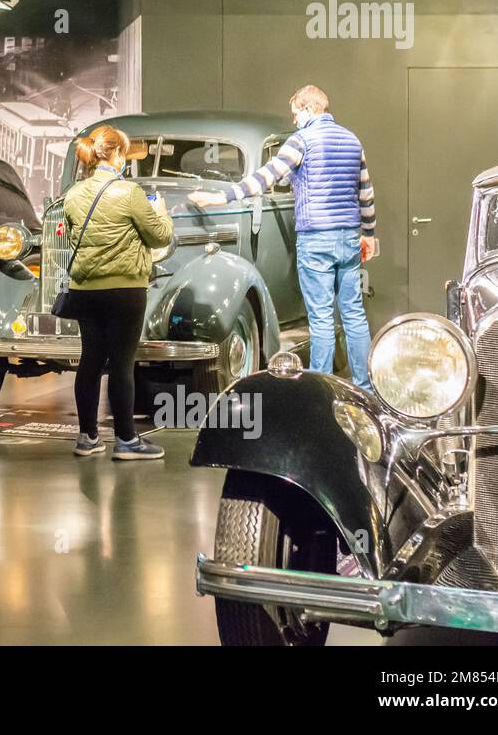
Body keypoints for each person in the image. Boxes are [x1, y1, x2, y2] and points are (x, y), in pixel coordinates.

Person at [189, 84, 376, 390]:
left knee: (321, 318)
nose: (293, 121)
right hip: (348, 237)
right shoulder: (352, 140)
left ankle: (320, 388)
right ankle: (363, 388)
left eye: (295, 114)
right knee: (353, 314)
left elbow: (265, 177)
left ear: (308, 109)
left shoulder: (301, 141)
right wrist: (368, 234)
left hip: (316, 239)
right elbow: (366, 194)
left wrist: (222, 197)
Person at [63, 125, 174, 461]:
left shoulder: (73, 194)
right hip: (124, 289)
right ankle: (127, 440)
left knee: (90, 361)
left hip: (84, 290)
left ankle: (87, 438)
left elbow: (71, 237)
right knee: (123, 364)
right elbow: (160, 237)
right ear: (116, 154)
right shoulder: (129, 192)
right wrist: (161, 210)